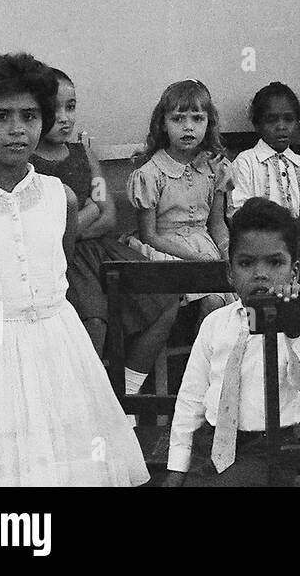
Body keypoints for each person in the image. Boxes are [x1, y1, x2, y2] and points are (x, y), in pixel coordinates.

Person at [0, 52, 148, 486]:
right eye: (2, 116)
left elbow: (61, 264)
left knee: (67, 463)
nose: (18, 129)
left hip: (58, 349)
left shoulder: (61, 198)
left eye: (30, 116)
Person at [162, 198, 300, 487]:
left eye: (275, 262)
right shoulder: (215, 323)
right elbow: (190, 399)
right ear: (230, 272)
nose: (260, 273)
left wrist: (293, 330)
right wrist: (176, 468)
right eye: (246, 263)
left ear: (294, 271)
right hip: (212, 442)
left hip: (271, 448)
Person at [122, 79, 234, 398]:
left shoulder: (215, 168)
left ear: (208, 122)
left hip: (204, 245)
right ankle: (199, 387)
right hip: (164, 250)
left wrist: (226, 250)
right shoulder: (151, 172)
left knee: (228, 307)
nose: (188, 127)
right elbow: (149, 234)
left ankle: (217, 383)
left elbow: (217, 225)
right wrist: (197, 260)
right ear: (163, 123)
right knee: (213, 302)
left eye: (197, 119)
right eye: (178, 119)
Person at [31, 68, 129, 356]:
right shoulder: (30, 162)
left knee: (159, 302)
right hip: (64, 260)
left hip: (101, 253)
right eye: (54, 109)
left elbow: (108, 213)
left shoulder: (83, 154)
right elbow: (50, 233)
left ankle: (130, 385)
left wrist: (76, 220)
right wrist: (87, 212)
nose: (65, 117)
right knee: (93, 320)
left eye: (70, 107)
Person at [229, 82, 300, 290]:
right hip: (265, 238)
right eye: (271, 120)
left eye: (289, 119)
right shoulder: (246, 161)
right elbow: (238, 210)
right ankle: (298, 318)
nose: (281, 126)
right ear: (257, 124)